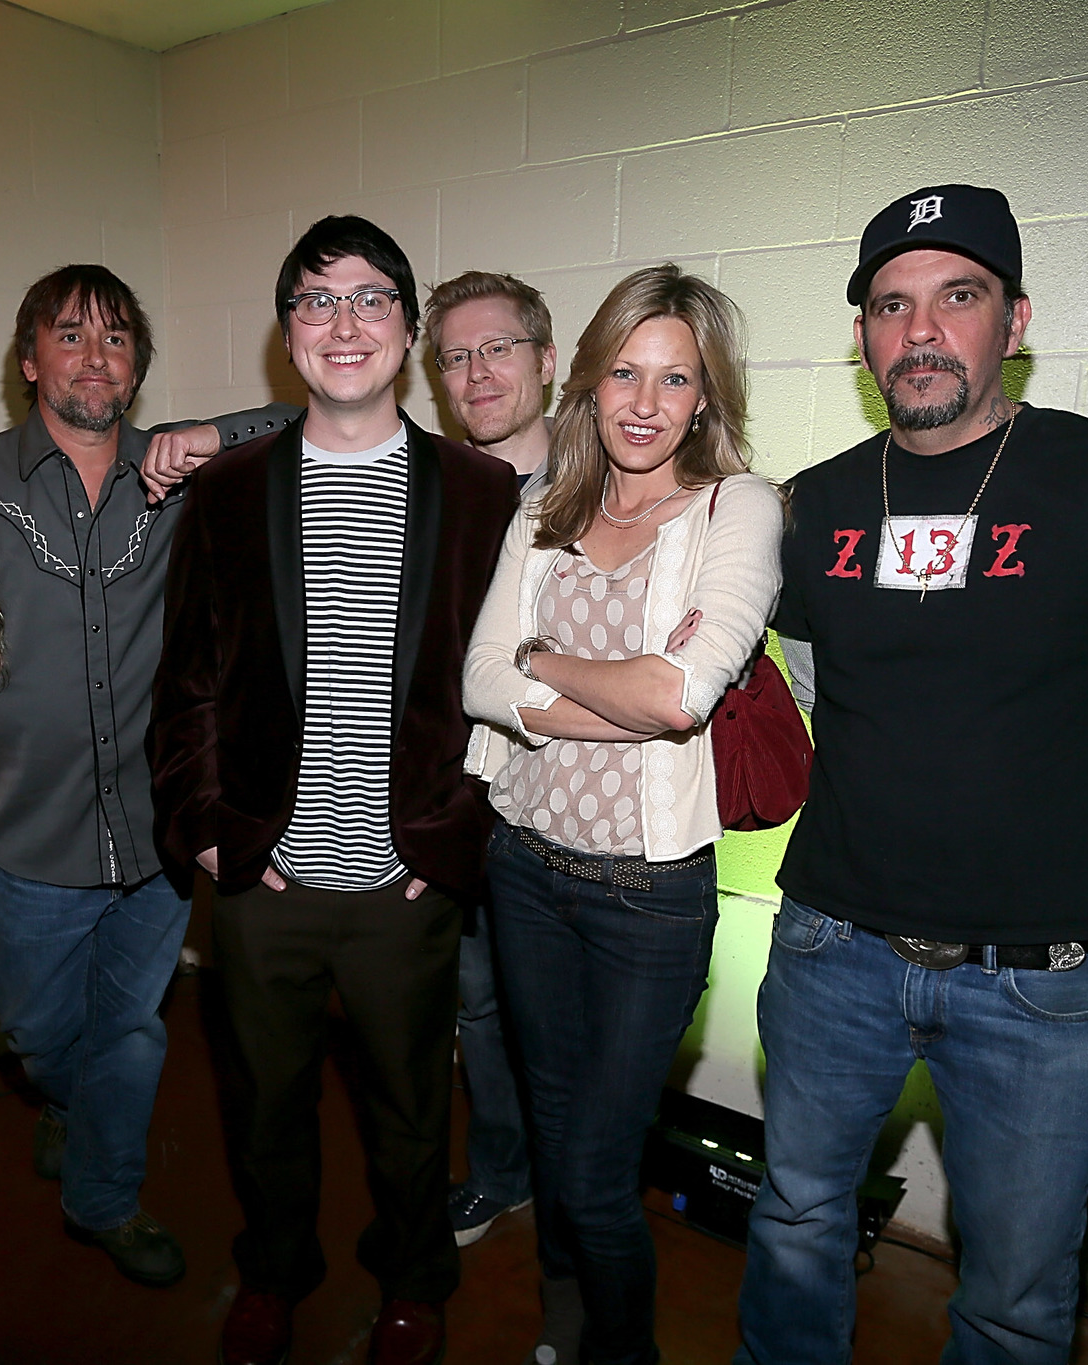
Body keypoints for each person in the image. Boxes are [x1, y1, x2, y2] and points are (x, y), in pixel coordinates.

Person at [735, 184, 1088, 1365]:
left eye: (955, 297)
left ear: (1011, 321)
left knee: (1013, 1293)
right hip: (826, 953)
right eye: (889, 305)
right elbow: (813, 692)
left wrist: (1022, 781)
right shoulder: (809, 505)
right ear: (861, 337)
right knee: (797, 1219)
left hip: (1033, 984)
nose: (919, 330)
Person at [150, 215, 518, 1365]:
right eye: (315, 302)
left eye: (368, 300)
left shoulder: (480, 493)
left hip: (404, 887)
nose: (342, 324)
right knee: (262, 1108)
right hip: (263, 877)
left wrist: (449, 844)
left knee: (412, 1117)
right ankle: (274, 1271)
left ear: (406, 329)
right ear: (287, 333)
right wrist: (211, 839)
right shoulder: (227, 493)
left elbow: (505, 696)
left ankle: (413, 1278)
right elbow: (188, 687)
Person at [462, 264, 782, 1365]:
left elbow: (680, 694)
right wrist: (620, 691)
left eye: (674, 380)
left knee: (599, 1170)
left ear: (705, 398)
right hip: (527, 871)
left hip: (648, 897)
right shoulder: (541, 509)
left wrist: (543, 660)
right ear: (590, 386)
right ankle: (565, 1313)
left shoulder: (737, 509)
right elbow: (475, 683)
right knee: (555, 1141)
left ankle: (622, 1352)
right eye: (624, 375)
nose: (645, 403)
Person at [0, 264, 299, 1288]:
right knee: (30, 1028)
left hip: (160, 829)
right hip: (29, 833)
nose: (93, 355)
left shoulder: (186, 479)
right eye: (70, 335)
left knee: (134, 1035)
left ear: (137, 366)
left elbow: (307, 419)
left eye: (115, 339)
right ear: (30, 362)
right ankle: (74, 1105)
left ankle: (102, 1198)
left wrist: (205, 434)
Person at [421, 271, 558, 1252]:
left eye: (497, 348)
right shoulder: (430, 489)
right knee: (479, 1003)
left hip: (578, 811)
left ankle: (579, 1187)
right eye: (455, 356)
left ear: (544, 361)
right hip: (463, 804)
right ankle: (505, 1171)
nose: (476, 372)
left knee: (570, 1019)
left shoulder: (612, 482)